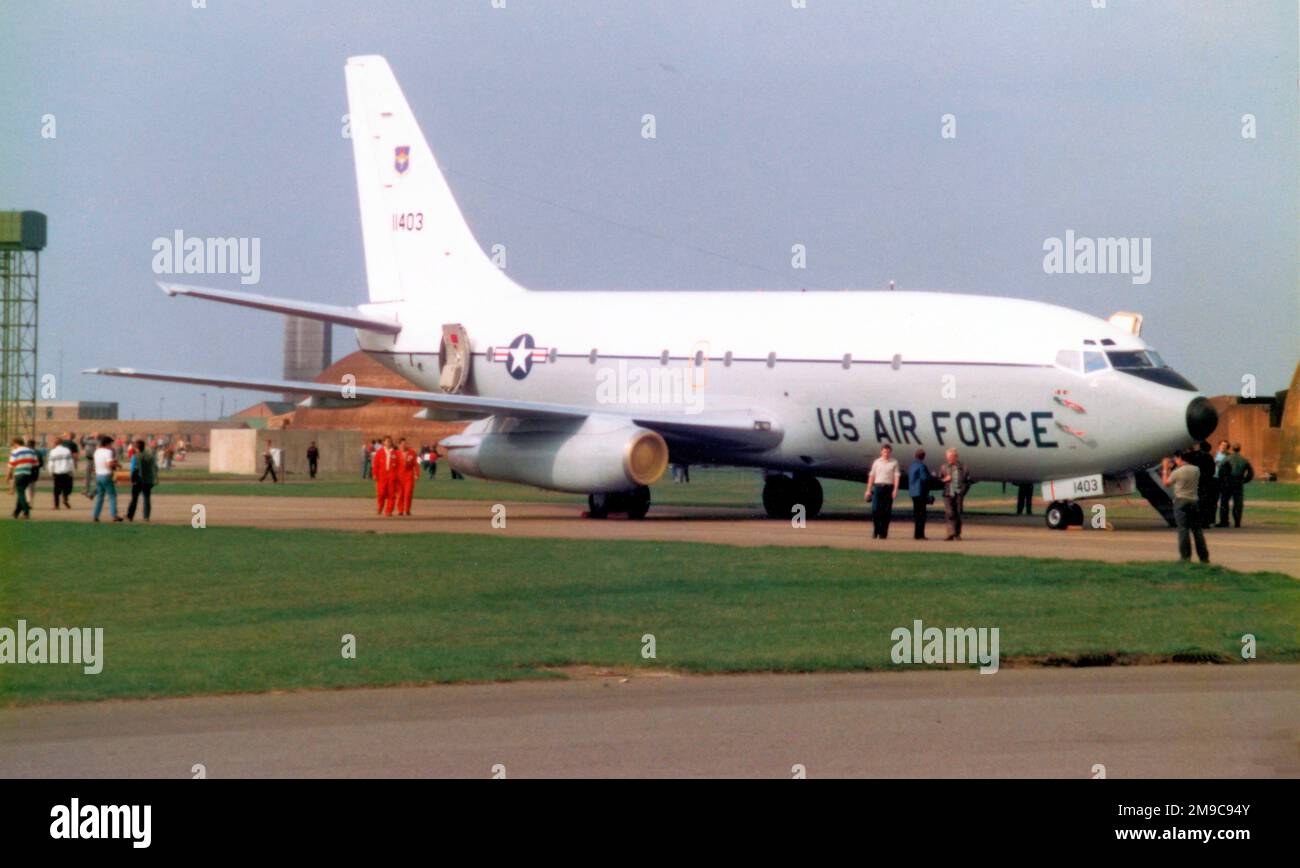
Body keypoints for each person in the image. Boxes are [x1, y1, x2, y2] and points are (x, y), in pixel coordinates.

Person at [1162, 451, 1209, 563]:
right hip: (1194, 500)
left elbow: (1166, 483)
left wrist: (1165, 468)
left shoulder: (1178, 472)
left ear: (1180, 458)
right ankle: (1204, 557)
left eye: (1176, 459)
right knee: (1197, 530)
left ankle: (1185, 557)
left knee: (1183, 530)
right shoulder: (1196, 469)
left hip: (1181, 500)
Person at [865, 444, 900, 539]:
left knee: (886, 511)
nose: (886, 454)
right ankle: (876, 530)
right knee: (875, 510)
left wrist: (895, 490)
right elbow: (872, 476)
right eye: (884, 452)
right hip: (878, 487)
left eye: (888, 452)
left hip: (888, 488)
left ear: (890, 452)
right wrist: (868, 490)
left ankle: (883, 532)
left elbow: (896, 476)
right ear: (881, 452)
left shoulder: (894, 462)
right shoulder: (877, 462)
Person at [1216, 443, 1254, 528]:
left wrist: (1223, 479)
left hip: (1228, 482)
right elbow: (1251, 473)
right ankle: (1237, 522)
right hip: (1238, 482)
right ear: (1239, 449)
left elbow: (1220, 468)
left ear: (1232, 449)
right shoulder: (1244, 459)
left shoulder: (1227, 458)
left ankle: (1224, 521)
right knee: (1238, 503)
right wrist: (1245, 480)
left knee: (1224, 502)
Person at [938, 448, 971, 541]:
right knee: (949, 513)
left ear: (955, 457)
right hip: (947, 493)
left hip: (958, 494)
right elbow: (939, 480)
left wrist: (963, 492)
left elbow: (968, 482)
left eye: (950, 457)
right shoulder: (944, 467)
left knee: (958, 513)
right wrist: (944, 480)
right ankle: (950, 533)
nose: (948, 459)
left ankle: (957, 533)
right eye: (947, 457)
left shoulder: (964, 468)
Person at [1184, 440, 1218, 528]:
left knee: (1196, 501)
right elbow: (1213, 470)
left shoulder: (1195, 454)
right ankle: (1205, 522)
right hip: (1207, 481)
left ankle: (1196, 520)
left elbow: (1184, 457)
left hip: (1196, 481)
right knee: (1206, 502)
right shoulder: (1209, 457)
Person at [92, 434, 124, 522]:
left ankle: (95, 515)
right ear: (106, 444)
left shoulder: (97, 451)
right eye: (110, 444)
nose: (111, 446)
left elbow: (102, 461)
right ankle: (114, 515)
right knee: (112, 496)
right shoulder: (108, 452)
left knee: (100, 496)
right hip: (106, 475)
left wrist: (113, 462)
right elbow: (109, 464)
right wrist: (117, 465)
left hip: (98, 475)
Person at [6, 436, 39, 519]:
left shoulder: (15, 452)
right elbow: (36, 464)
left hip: (19, 474)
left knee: (21, 493)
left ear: (16, 443)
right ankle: (16, 512)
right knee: (21, 493)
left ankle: (26, 511)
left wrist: (8, 476)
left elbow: (11, 465)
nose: (12, 446)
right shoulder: (31, 451)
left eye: (12, 444)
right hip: (28, 474)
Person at [127, 438, 158, 522]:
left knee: (134, 499)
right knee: (147, 498)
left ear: (136, 448)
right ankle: (146, 516)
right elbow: (155, 468)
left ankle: (130, 516)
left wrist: (132, 479)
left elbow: (133, 469)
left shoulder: (135, 456)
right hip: (148, 480)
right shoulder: (150, 456)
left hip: (138, 480)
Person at [907, 448, 934, 540]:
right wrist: (932, 477)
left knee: (916, 514)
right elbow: (924, 478)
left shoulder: (912, 466)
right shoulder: (921, 466)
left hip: (913, 492)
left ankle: (916, 534)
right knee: (922, 514)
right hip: (921, 492)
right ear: (923, 456)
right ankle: (920, 534)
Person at [47, 438, 76, 509]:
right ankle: (65, 498)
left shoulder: (53, 451)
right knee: (66, 487)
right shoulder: (67, 451)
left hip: (57, 472)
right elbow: (71, 462)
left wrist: (51, 472)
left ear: (55, 443)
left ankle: (56, 505)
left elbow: (51, 464)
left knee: (56, 489)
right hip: (66, 472)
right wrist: (72, 471)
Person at [373, 435, 397, 516]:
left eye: (389, 441)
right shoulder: (379, 452)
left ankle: (389, 511)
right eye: (386, 441)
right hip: (382, 476)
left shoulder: (395, 453)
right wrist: (375, 474)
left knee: (391, 494)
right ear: (383, 442)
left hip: (392, 476)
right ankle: (380, 507)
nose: (388, 443)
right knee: (381, 493)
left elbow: (398, 465)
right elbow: (375, 464)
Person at [395, 438, 419, 516]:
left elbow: (416, 464)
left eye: (405, 444)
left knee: (408, 493)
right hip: (399, 476)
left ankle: (407, 510)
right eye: (402, 444)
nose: (404, 445)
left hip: (409, 476)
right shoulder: (396, 453)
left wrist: (417, 474)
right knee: (400, 494)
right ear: (399, 445)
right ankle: (400, 510)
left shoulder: (412, 452)